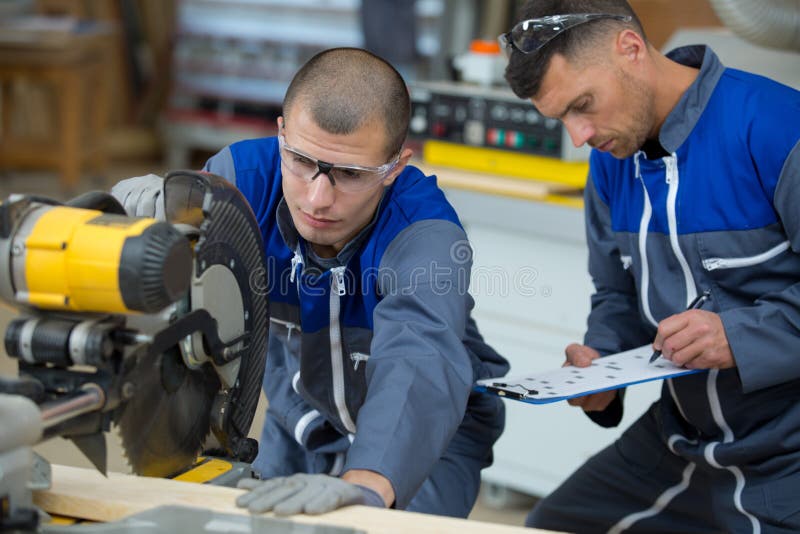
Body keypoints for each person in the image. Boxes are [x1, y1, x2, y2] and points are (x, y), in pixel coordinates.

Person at [113, 47, 508, 518]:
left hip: (429, 430)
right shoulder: (240, 181)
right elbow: (175, 259)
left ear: (395, 167)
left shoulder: (426, 235)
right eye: (301, 161)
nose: (318, 198)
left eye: (350, 174)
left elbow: (419, 358)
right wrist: (139, 226)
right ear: (281, 133)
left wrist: (367, 485)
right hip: (301, 414)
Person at [501, 1, 800, 532]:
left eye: (583, 105)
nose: (579, 135)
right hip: (681, 438)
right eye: (562, 118)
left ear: (631, 49)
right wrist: (601, 363)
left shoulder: (777, 128)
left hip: (788, 451)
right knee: (549, 525)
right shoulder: (611, 164)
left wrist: (743, 337)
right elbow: (616, 294)